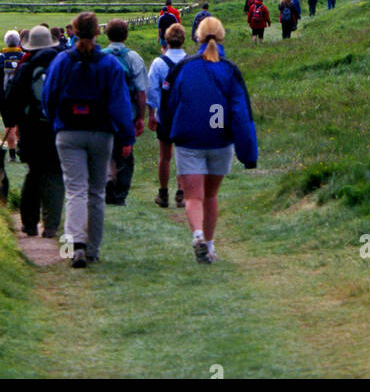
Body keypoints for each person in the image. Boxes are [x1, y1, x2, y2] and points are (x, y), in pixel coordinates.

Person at [159, 16, 257, 264]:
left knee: (193, 196)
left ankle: (198, 235)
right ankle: (210, 246)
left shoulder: (183, 68)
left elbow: (168, 105)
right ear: (222, 37)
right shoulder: (229, 70)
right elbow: (241, 114)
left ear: (197, 37)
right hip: (219, 141)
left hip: (188, 140)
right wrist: (249, 153)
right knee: (211, 196)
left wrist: (166, 132)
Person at [42, 12, 135, 268]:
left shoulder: (62, 60)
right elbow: (120, 104)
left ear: (73, 30)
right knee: (96, 191)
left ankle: (76, 246)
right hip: (101, 132)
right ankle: (92, 249)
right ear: (97, 32)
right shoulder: (109, 64)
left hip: (68, 132)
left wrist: (55, 120)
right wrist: (126, 136)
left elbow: (48, 97)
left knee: (75, 190)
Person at [5, 25, 64, 240]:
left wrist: (13, 122)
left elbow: (12, 100)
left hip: (31, 130)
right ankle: (51, 226)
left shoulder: (26, 66)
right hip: (56, 128)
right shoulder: (61, 64)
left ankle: (30, 224)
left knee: (34, 174)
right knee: (55, 175)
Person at [102, 20, 148, 205]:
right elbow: (141, 91)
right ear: (126, 35)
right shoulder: (133, 58)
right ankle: (120, 194)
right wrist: (141, 117)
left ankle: (107, 183)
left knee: (105, 151)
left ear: (107, 34)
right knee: (125, 154)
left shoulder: (101, 56)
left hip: (104, 113)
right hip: (127, 112)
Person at [146, 23, 188, 210]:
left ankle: (163, 193)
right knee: (183, 155)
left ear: (166, 41)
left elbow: (152, 91)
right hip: (185, 115)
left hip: (165, 115)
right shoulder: (190, 62)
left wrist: (151, 114)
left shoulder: (158, 63)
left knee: (165, 156)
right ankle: (181, 192)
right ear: (183, 40)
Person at [0, 30, 25, 161]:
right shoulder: (23, 56)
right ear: (18, 41)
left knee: (9, 126)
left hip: (4, 97)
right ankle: (21, 148)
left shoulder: (0, 57)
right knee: (19, 123)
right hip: (20, 98)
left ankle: (12, 153)